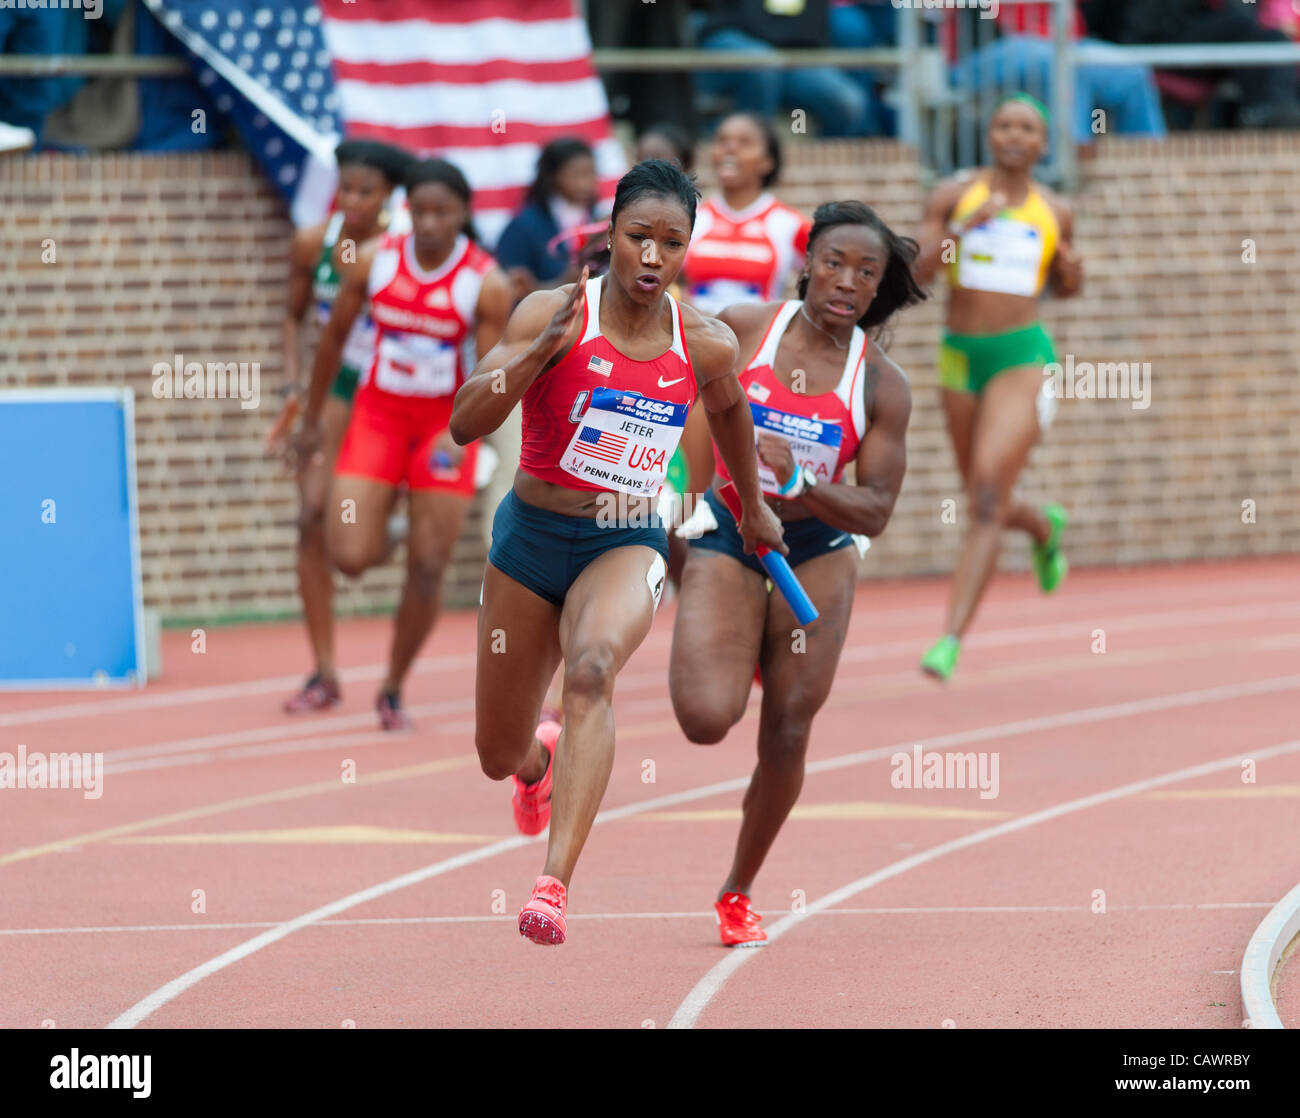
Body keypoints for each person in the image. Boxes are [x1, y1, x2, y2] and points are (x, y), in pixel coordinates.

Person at [449, 159, 786, 946]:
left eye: (672, 243)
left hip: (626, 534)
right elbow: (465, 422)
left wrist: (756, 507)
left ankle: (554, 884)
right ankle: (538, 767)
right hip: (530, 541)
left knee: (593, 668)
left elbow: (731, 414)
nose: (652, 257)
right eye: (639, 237)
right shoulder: (550, 311)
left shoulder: (702, 341)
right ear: (611, 236)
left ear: (686, 251)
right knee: (497, 751)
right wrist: (538, 357)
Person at [669, 200, 920, 946]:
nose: (847, 281)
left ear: (878, 291)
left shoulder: (881, 385)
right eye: (836, 262)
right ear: (807, 260)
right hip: (728, 535)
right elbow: (668, 359)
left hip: (818, 552)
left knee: (787, 728)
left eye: (866, 273)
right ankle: (741, 647)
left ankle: (738, 890)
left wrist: (802, 484)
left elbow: (874, 511)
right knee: (706, 719)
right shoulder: (747, 327)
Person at [291, 158, 512, 729]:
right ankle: (389, 519)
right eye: (423, 211)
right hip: (379, 416)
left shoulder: (483, 282)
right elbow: (334, 338)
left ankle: (392, 686)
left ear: (464, 214)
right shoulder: (373, 262)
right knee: (347, 554)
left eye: (445, 212)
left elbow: (490, 373)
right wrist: (312, 416)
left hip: (445, 424)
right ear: (407, 210)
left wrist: (467, 440)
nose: (432, 224)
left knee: (429, 563)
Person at [913, 94, 1083, 682]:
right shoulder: (953, 195)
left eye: (1026, 128)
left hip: (1021, 355)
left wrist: (1072, 275)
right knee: (979, 494)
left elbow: (1062, 287)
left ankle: (950, 640)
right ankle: (1042, 526)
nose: (1013, 135)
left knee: (986, 498)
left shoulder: (1055, 209)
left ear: (1042, 144)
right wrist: (962, 228)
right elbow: (919, 274)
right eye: (1003, 124)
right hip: (960, 357)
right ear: (989, 135)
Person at [271, 139, 413, 714]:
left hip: (386, 394)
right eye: (345, 188)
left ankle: (389, 532)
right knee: (308, 519)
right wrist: (290, 384)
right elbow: (292, 315)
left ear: (388, 196)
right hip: (333, 393)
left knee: (353, 552)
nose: (352, 201)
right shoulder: (314, 243)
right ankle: (324, 671)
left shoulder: (401, 250)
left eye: (366, 191)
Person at [680, 112, 811, 317]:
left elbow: (825, 280)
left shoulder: (789, 224)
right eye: (722, 141)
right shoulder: (690, 218)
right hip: (694, 341)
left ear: (767, 162)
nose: (730, 148)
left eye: (745, 142)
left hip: (760, 345)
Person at [693, 0, 870, 137]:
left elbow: (812, 33)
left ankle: (819, 170)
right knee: (762, 64)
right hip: (731, 37)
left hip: (792, 56)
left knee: (848, 101)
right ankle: (752, 152)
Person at [494, 137, 599, 305]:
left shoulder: (599, 222)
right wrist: (558, 283)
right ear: (552, 176)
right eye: (578, 174)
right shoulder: (522, 227)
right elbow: (507, 293)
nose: (587, 183)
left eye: (591, 173)